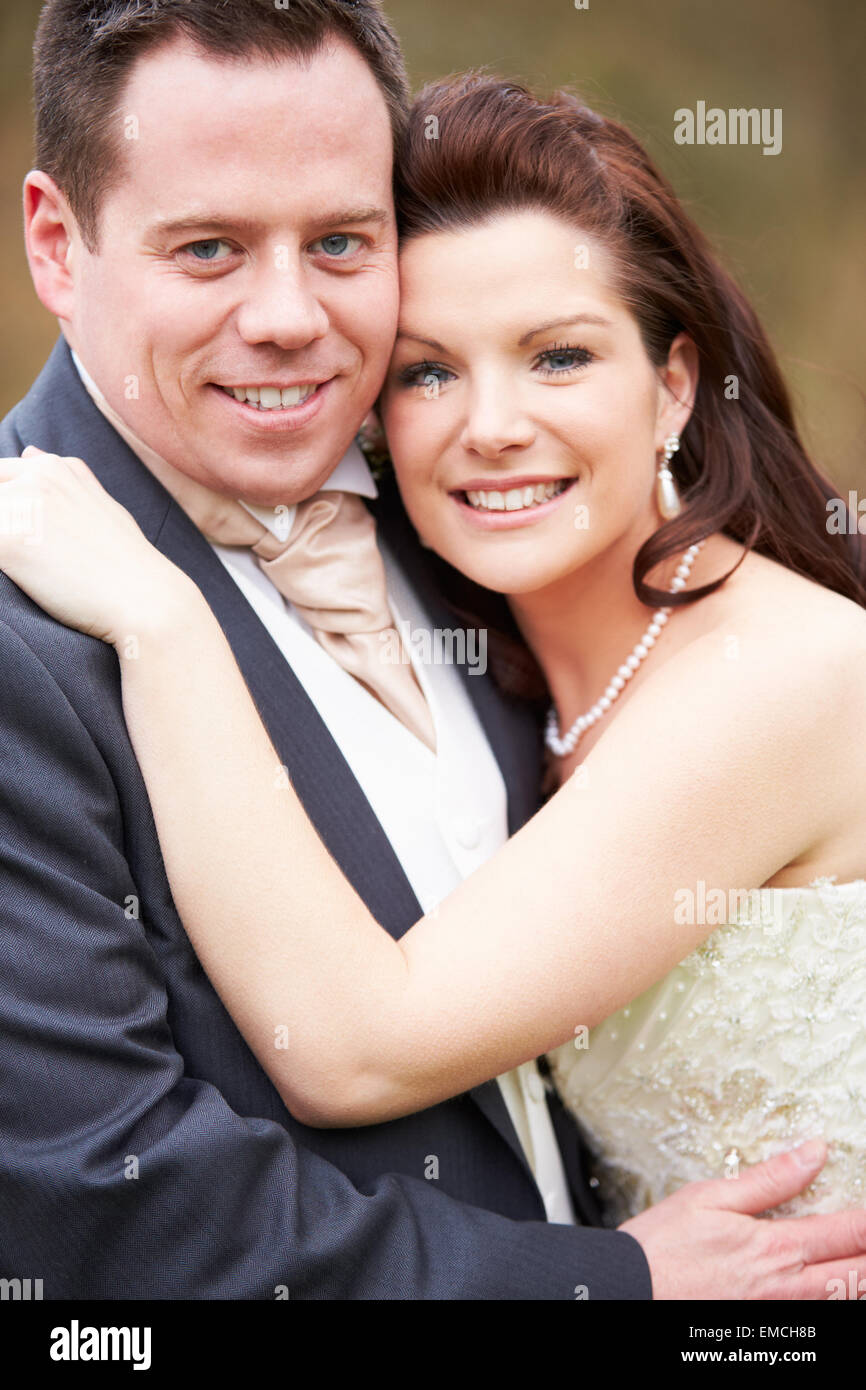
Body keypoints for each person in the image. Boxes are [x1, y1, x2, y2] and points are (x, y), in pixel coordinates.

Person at [0, 0, 862, 1302]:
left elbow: (388, 1039)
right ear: (59, 243)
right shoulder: (34, 623)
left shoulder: (504, 553)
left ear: (673, 383)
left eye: (341, 240)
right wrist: (600, 1284)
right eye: (211, 247)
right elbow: (107, 1200)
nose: (289, 316)